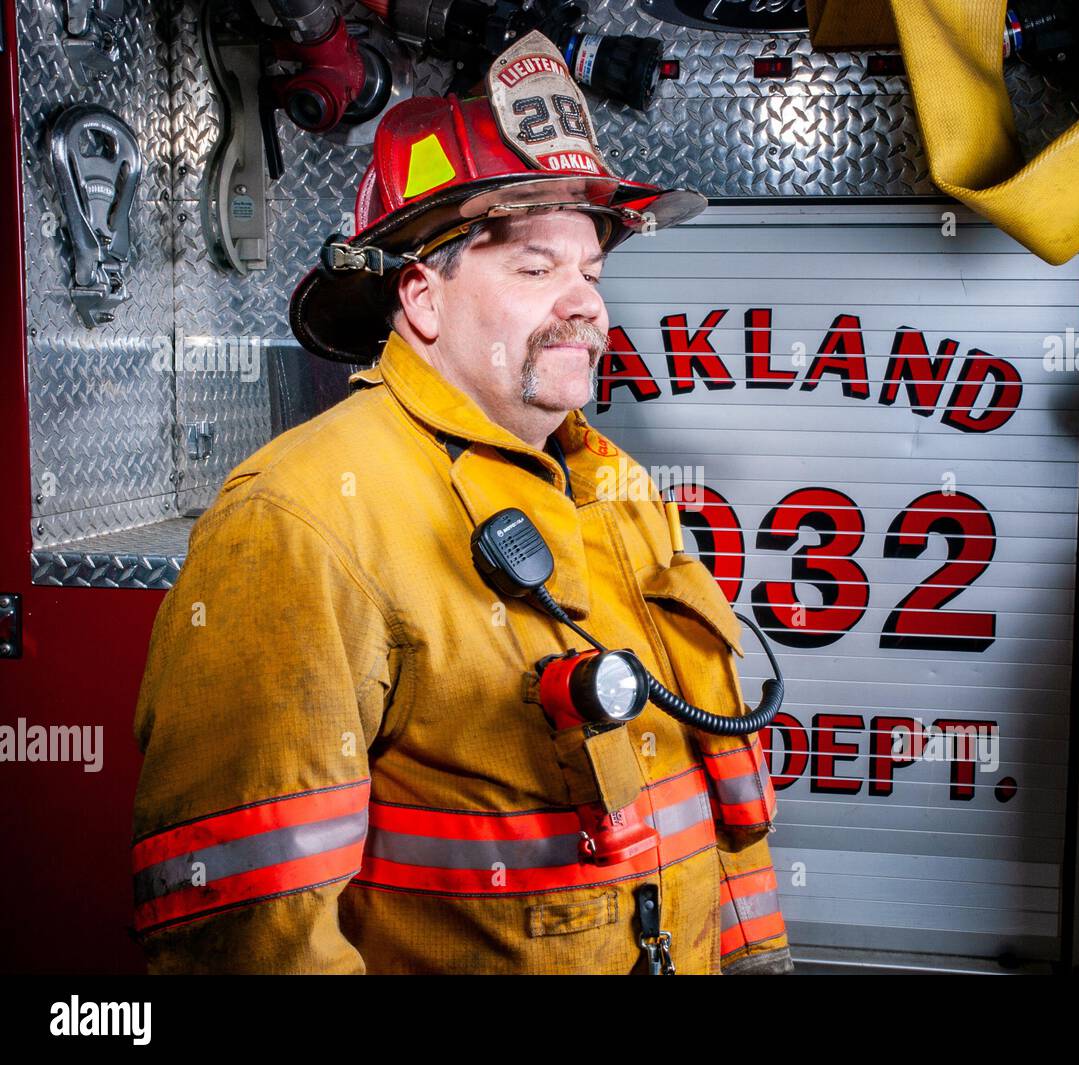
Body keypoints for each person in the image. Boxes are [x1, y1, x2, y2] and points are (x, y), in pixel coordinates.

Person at [130, 31, 792, 975]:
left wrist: (756, 959)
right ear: (423, 297)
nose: (589, 306)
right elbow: (250, 936)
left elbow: (702, 790)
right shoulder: (303, 517)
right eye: (535, 269)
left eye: (593, 273)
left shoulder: (616, 488)